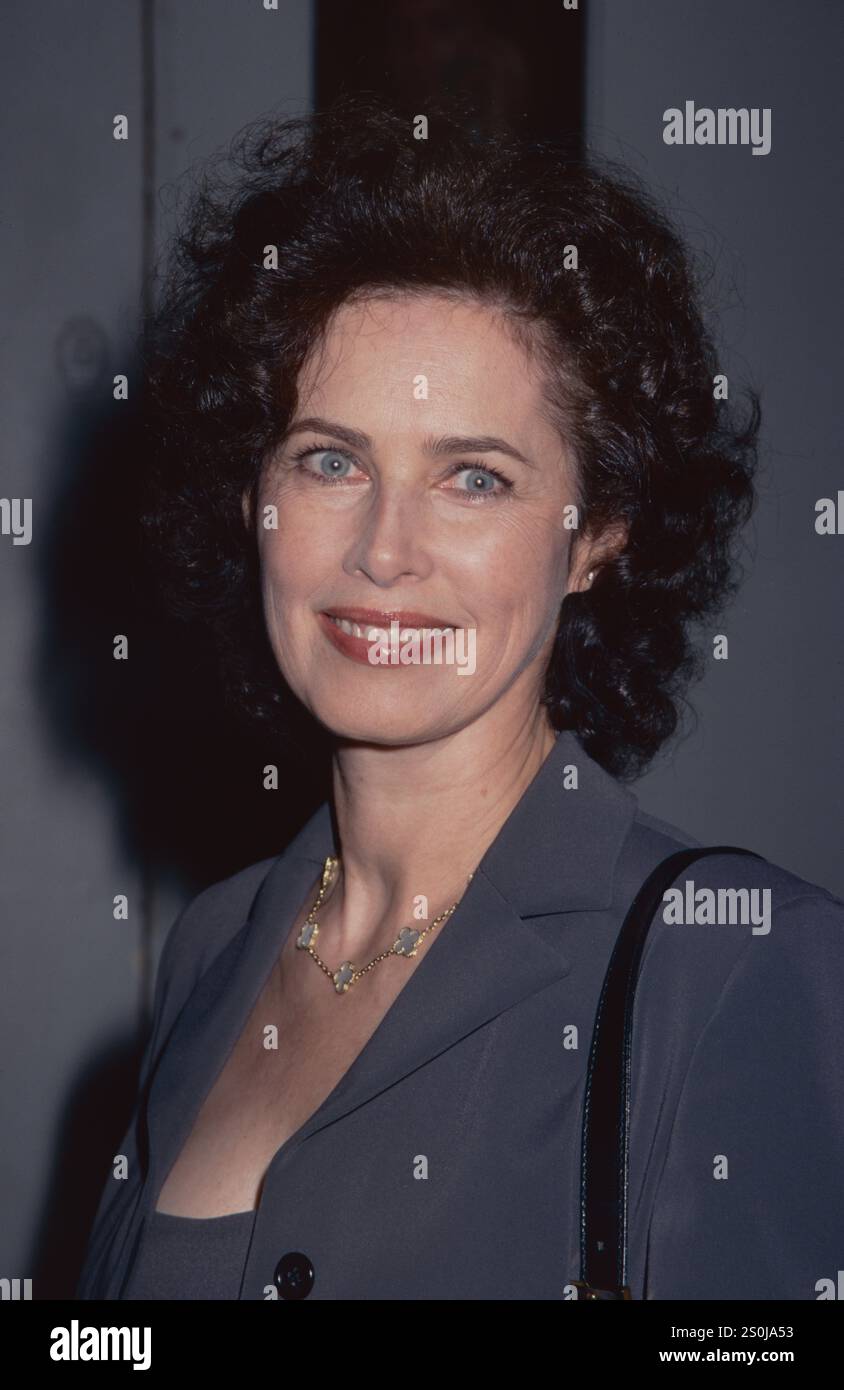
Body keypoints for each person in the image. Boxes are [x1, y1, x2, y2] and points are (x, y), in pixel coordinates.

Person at [76, 95, 844, 1301]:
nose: (384, 550)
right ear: (252, 499)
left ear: (597, 536)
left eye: (473, 478)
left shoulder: (737, 965)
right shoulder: (214, 950)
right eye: (330, 460)